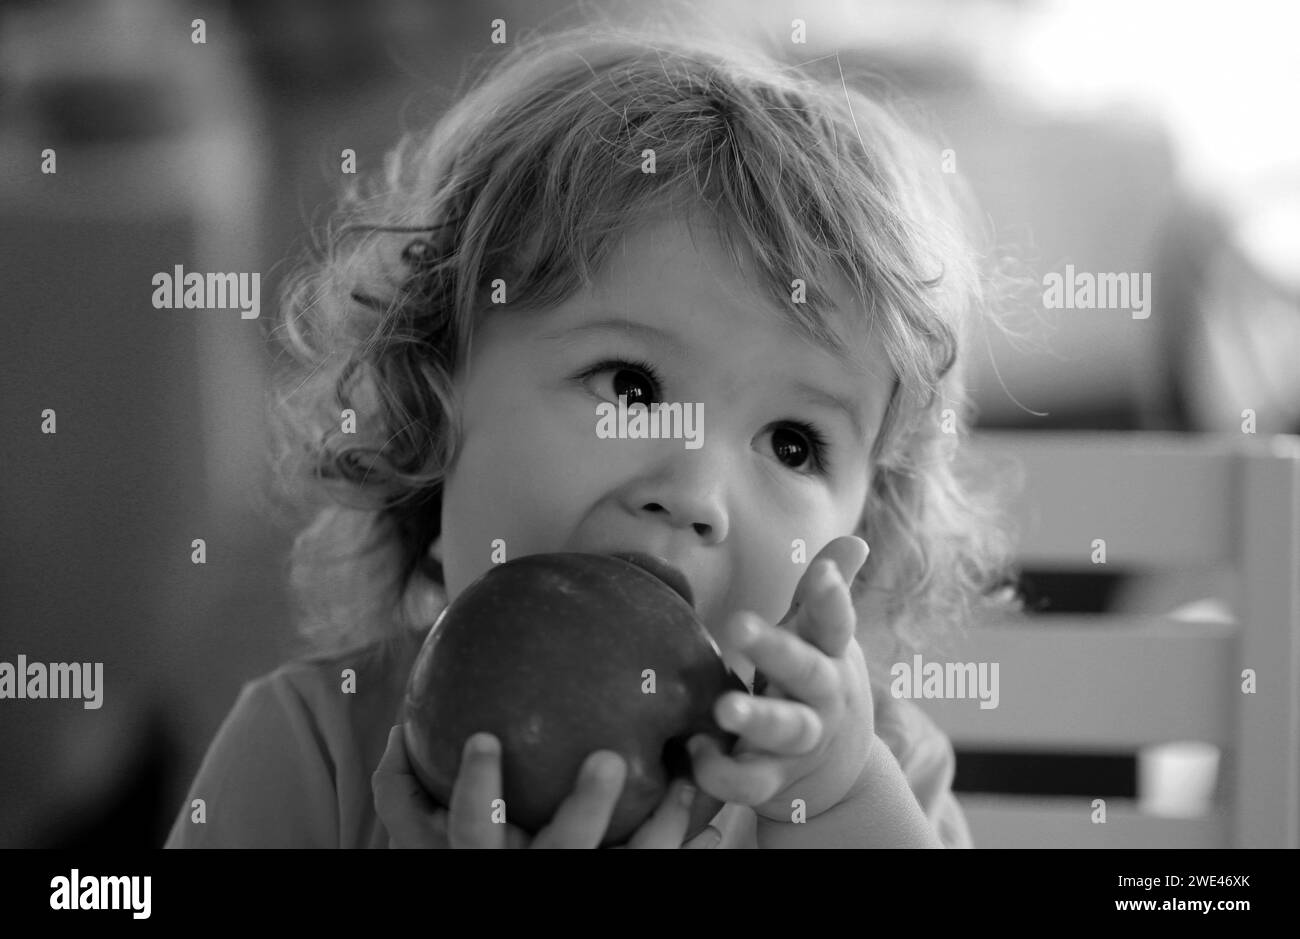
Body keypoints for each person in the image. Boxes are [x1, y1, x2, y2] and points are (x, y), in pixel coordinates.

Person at [164, 21, 1019, 849]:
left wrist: (837, 803)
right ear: (434, 394)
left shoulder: (869, 777)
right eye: (632, 386)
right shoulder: (310, 752)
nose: (693, 493)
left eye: (793, 443)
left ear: (864, 526)